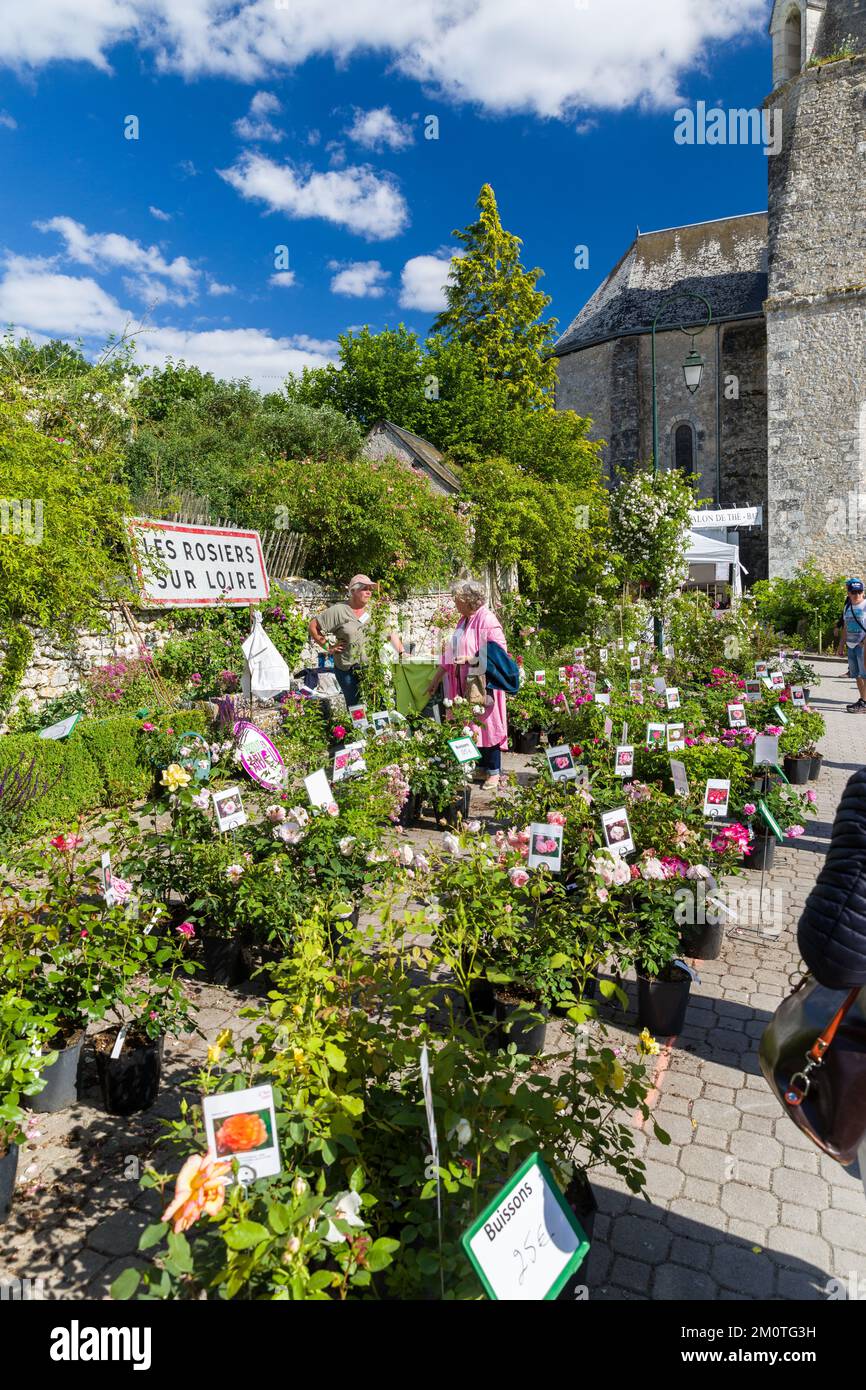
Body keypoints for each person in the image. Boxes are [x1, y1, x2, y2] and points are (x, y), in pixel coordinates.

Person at [430, 578, 509, 791]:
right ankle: (482, 767)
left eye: (457, 600)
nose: (455, 603)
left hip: (482, 682)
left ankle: (494, 772)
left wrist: (470, 659)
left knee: (487, 723)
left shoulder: (487, 619)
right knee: (470, 723)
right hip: (463, 682)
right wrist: (436, 678)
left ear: (469, 600)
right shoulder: (463, 620)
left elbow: (499, 652)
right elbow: (450, 652)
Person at [309, 575, 403, 709]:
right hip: (347, 668)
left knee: (378, 705)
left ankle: (381, 730)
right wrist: (328, 647)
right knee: (355, 707)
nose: (369, 592)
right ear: (353, 591)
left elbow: (389, 632)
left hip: (371, 668)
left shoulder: (375, 610)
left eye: (370, 589)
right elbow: (313, 626)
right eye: (364, 589)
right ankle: (358, 730)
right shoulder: (338, 611)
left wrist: (402, 652)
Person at [836, 578, 866, 713]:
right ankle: (862, 700)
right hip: (851, 646)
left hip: (863, 647)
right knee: (857, 675)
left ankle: (864, 703)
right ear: (848, 593)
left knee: (865, 675)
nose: (857, 594)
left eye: (859, 591)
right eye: (854, 592)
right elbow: (846, 627)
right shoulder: (847, 607)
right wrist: (841, 645)